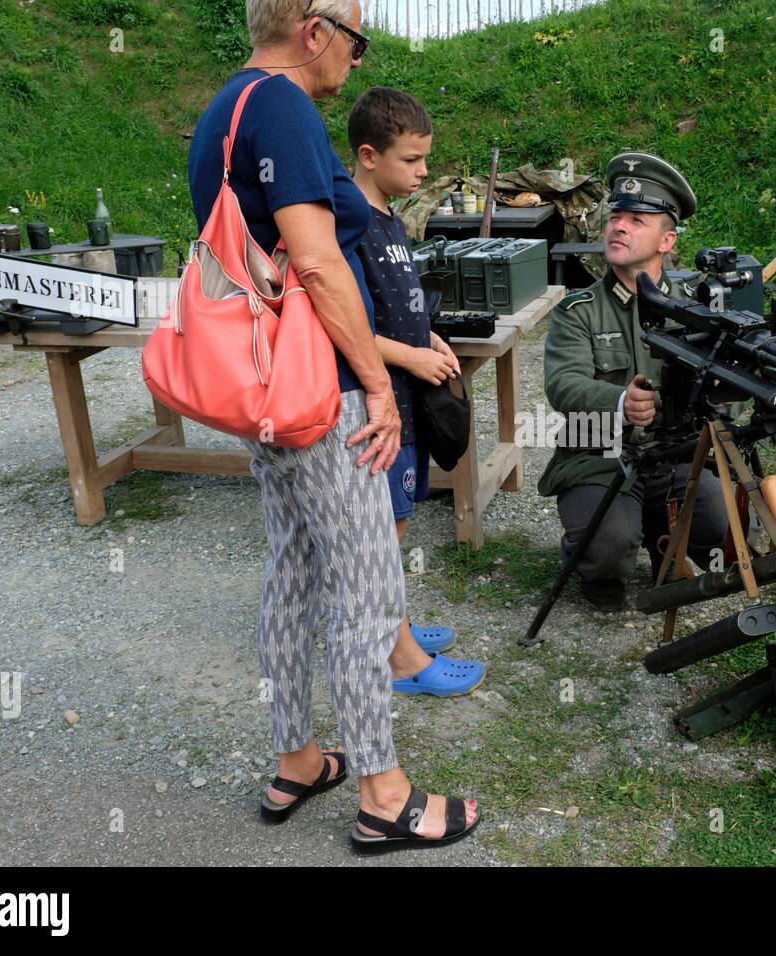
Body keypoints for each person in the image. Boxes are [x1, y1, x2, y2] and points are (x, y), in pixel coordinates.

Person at [186, 0, 477, 852]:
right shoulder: (284, 106)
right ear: (315, 30)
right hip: (323, 395)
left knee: (294, 570)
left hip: (263, 388)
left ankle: (298, 757)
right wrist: (380, 386)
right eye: (356, 41)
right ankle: (385, 794)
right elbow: (314, 260)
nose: (356, 60)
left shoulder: (223, 109)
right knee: (365, 587)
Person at [538, 152, 729, 612]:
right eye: (616, 216)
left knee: (728, 536)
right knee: (606, 560)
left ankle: (662, 533)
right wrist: (620, 400)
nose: (619, 226)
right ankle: (602, 549)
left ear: (667, 240)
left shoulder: (698, 309)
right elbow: (563, 383)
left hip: (679, 458)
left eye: (637, 219)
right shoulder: (577, 311)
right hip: (600, 455)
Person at [348, 85, 485, 696]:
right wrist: (410, 356)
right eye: (412, 160)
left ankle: (395, 625)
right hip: (378, 406)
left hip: (408, 400)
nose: (424, 172)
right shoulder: (348, 224)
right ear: (369, 154)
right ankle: (397, 658)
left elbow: (396, 305)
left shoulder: (392, 217)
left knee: (398, 520)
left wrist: (429, 337)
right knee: (385, 535)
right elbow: (342, 321)